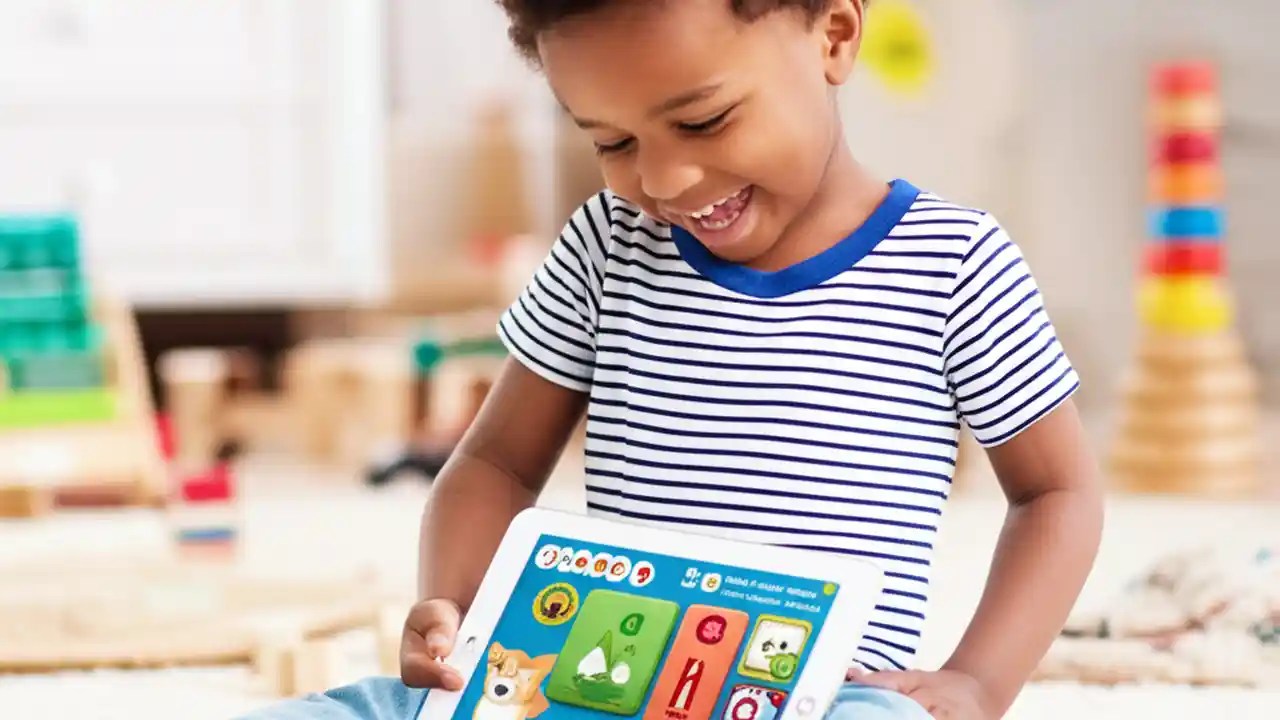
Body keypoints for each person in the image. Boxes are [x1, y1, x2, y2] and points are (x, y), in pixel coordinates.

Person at [240, 1, 1104, 718]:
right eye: (612, 143)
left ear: (835, 34)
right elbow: (496, 461)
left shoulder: (953, 262)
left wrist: (979, 682)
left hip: (813, 695)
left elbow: (1055, 491)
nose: (663, 180)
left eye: (703, 120)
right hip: (571, 676)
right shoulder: (608, 249)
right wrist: (459, 623)